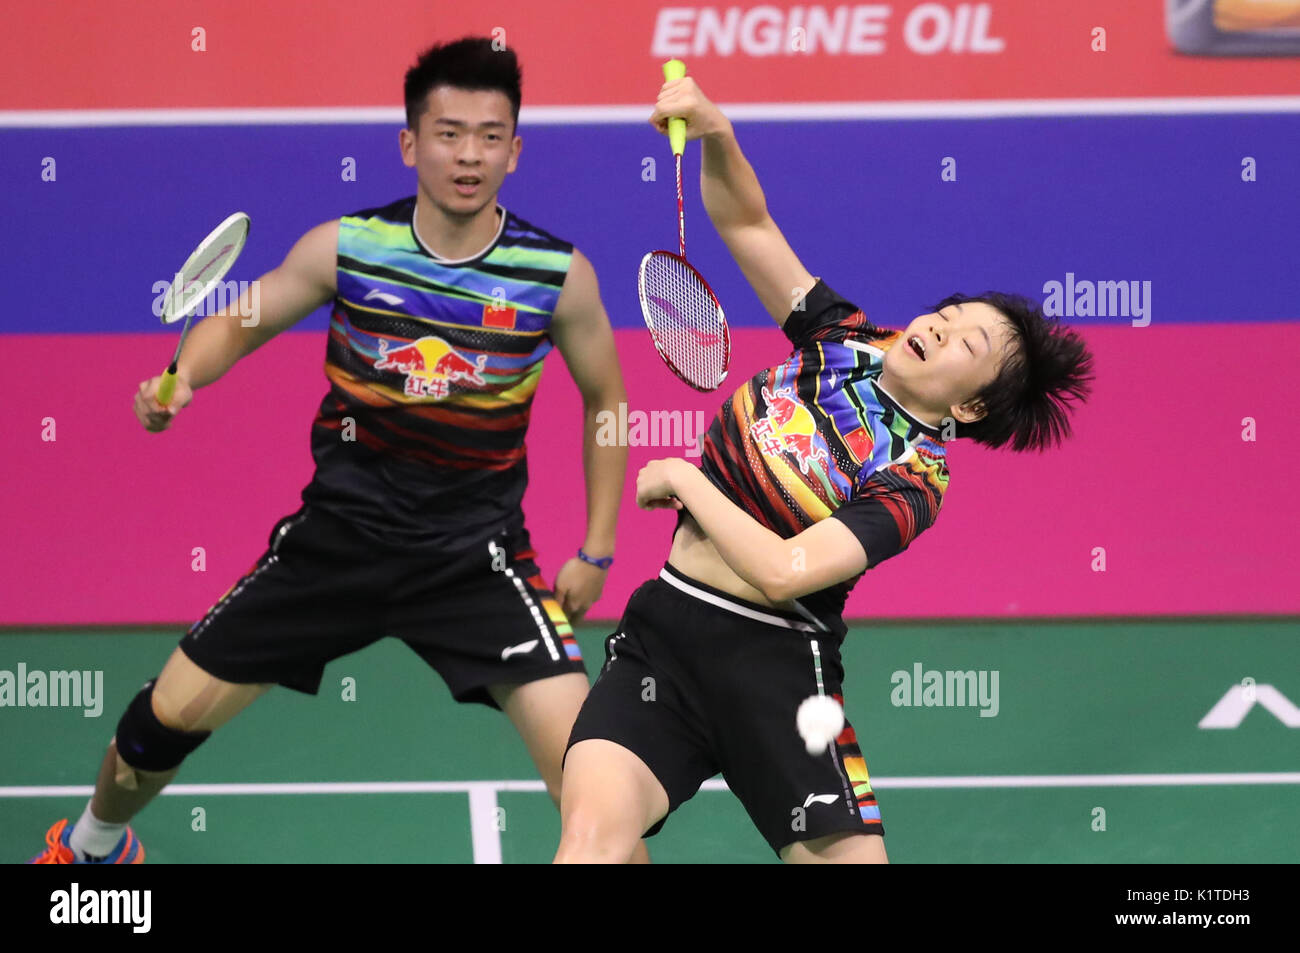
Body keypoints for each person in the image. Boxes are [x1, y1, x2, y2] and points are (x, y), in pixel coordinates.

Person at [31, 36, 644, 864]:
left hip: (477, 556)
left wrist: (598, 547)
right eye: (449, 132)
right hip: (336, 541)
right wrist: (183, 378)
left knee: (597, 788)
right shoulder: (348, 247)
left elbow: (606, 400)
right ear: (409, 143)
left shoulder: (555, 275)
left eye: (490, 136)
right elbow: (246, 317)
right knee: (163, 718)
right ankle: (95, 843)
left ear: (515, 150)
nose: (469, 155)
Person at [554, 74, 1094, 864]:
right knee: (591, 843)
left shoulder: (915, 480)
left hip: (783, 672)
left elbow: (783, 572)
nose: (940, 331)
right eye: (947, 317)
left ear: (974, 408)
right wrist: (717, 129)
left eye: (964, 346)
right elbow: (745, 220)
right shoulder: (839, 337)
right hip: (664, 639)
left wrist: (686, 478)